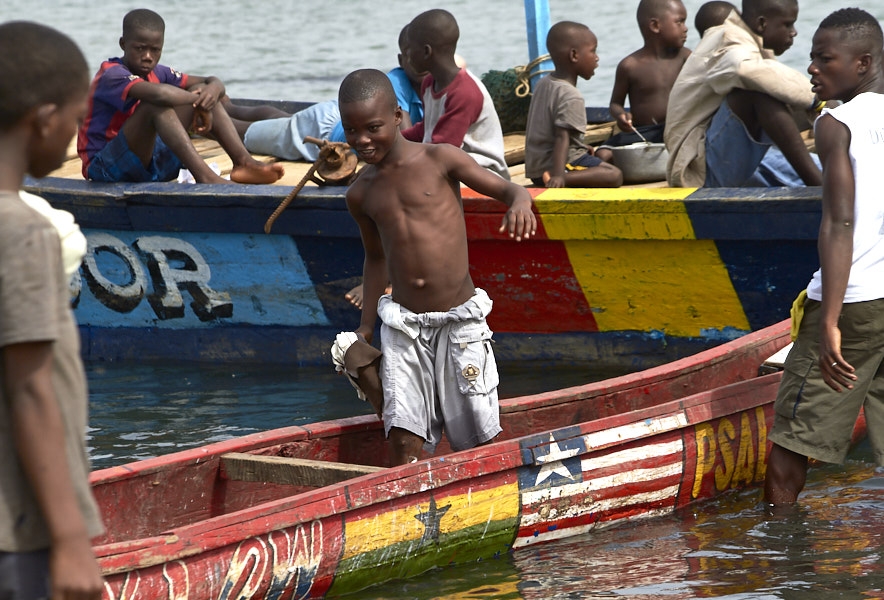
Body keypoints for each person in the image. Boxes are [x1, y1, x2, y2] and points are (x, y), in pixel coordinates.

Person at [339, 69, 536, 465]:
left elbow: (507, 187)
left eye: (372, 127)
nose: (362, 140)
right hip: (404, 325)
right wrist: (364, 326)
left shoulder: (440, 159)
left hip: (459, 322)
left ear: (398, 116)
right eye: (351, 130)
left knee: (478, 436)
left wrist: (520, 202)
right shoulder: (360, 193)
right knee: (403, 439)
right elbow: (376, 258)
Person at [0, 21, 104, 598]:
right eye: (74, 116)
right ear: (43, 118)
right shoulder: (23, 231)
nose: (76, 131)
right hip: (20, 532)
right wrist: (69, 538)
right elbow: (31, 388)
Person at [764, 8, 884, 507]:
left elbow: (840, 223)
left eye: (824, 58)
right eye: (811, 57)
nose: (811, 68)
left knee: (787, 453)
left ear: (864, 63)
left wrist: (829, 320)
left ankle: (786, 569)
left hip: (853, 303)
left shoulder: (837, 123)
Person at [77, 8, 284, 185]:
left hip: (146, 163)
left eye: (155, 50)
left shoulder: (159, 72)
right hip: (105, 168)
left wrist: (211, 91)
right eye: (140, 48)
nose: (148, 56)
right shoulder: (111, 74)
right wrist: (201, 98)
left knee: (206, 93)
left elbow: (211, 80)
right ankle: (207, 177)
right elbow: (160, 94)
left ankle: (243, 162)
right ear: (123, 44)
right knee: (157, 105)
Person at [665, 0, 822, 188]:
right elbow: (744, 70)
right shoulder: (728, 41)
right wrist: (817, 100)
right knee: (757, 95)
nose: (794, 32)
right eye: (787, 24)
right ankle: (819, 188)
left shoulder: (745, 42)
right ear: (762, 24)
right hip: (698, 174)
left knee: (827, 166)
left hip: (725, 156)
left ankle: (828, 177)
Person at [232, 24, 427, 162]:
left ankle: (228, 106)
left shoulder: (433, 88)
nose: (423, 63)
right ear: (402, 59)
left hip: (334, 117)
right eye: (412, 56)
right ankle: (215, 120)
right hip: (324, 130)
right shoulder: (397, 83)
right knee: (251, 134)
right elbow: (404, 138)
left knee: (283, 121)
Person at [400, 9, 511, 180]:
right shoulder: (430, 83)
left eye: (409, 49)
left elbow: (443, 149)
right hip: (445, 163)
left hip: (482, 175)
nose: (406, 55)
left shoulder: (464, 92)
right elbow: (426, 129)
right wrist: (392, 140)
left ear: (426, 51)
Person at [523, 21, 623, 188]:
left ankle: (556, 175)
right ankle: (559, 179)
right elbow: (562, 137)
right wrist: (559, 176)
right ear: (574, 55)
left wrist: (581, 146)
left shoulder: (544, 83)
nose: (597, 57)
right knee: (615, 175)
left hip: (537, 168)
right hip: (558, 167)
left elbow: (548, 131)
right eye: (593, 51)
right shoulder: (571, 96)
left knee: (603, 157)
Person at [595, 0, 690, 164]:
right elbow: (615, 104)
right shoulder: (630, 65)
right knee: (603, 154)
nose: (685, 28)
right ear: (655, 26)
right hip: (642, 133)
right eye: (679, 22)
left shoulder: (686, 58)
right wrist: (621, 116)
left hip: (677, 130)